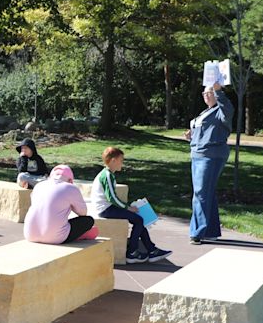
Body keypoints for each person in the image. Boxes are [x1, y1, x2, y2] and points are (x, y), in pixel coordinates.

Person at [88, 147, 172, 263]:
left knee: (139, 219)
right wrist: (128, 208)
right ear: (113, 160)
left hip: (107, 208)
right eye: (121, 160)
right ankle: (132, 252)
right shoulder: (107, 175)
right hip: (105, 209)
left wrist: (128, 207)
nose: (122, 163)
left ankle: (152, 251)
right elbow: (111, 198)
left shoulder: (107, 174)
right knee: (138, 220)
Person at [184, 82, 234, 244]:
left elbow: (227, 109)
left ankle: (197, 232)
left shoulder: (221, 111)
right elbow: (206, 132)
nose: (206, 95)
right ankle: (210, 231)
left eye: (209, 92)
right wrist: (191, 136)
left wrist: (219, 91)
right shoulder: (206, 112)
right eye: (204, 92)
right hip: (197, 155)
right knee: (207, 193)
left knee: (200, 193)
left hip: (211, 156)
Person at [23, 165, 97, 244]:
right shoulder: (70, 188)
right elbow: (83, 213)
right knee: (88, 220)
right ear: (70, 180)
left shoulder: (39, 186)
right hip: (55, 238)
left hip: (30, 234)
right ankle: (81, 236)